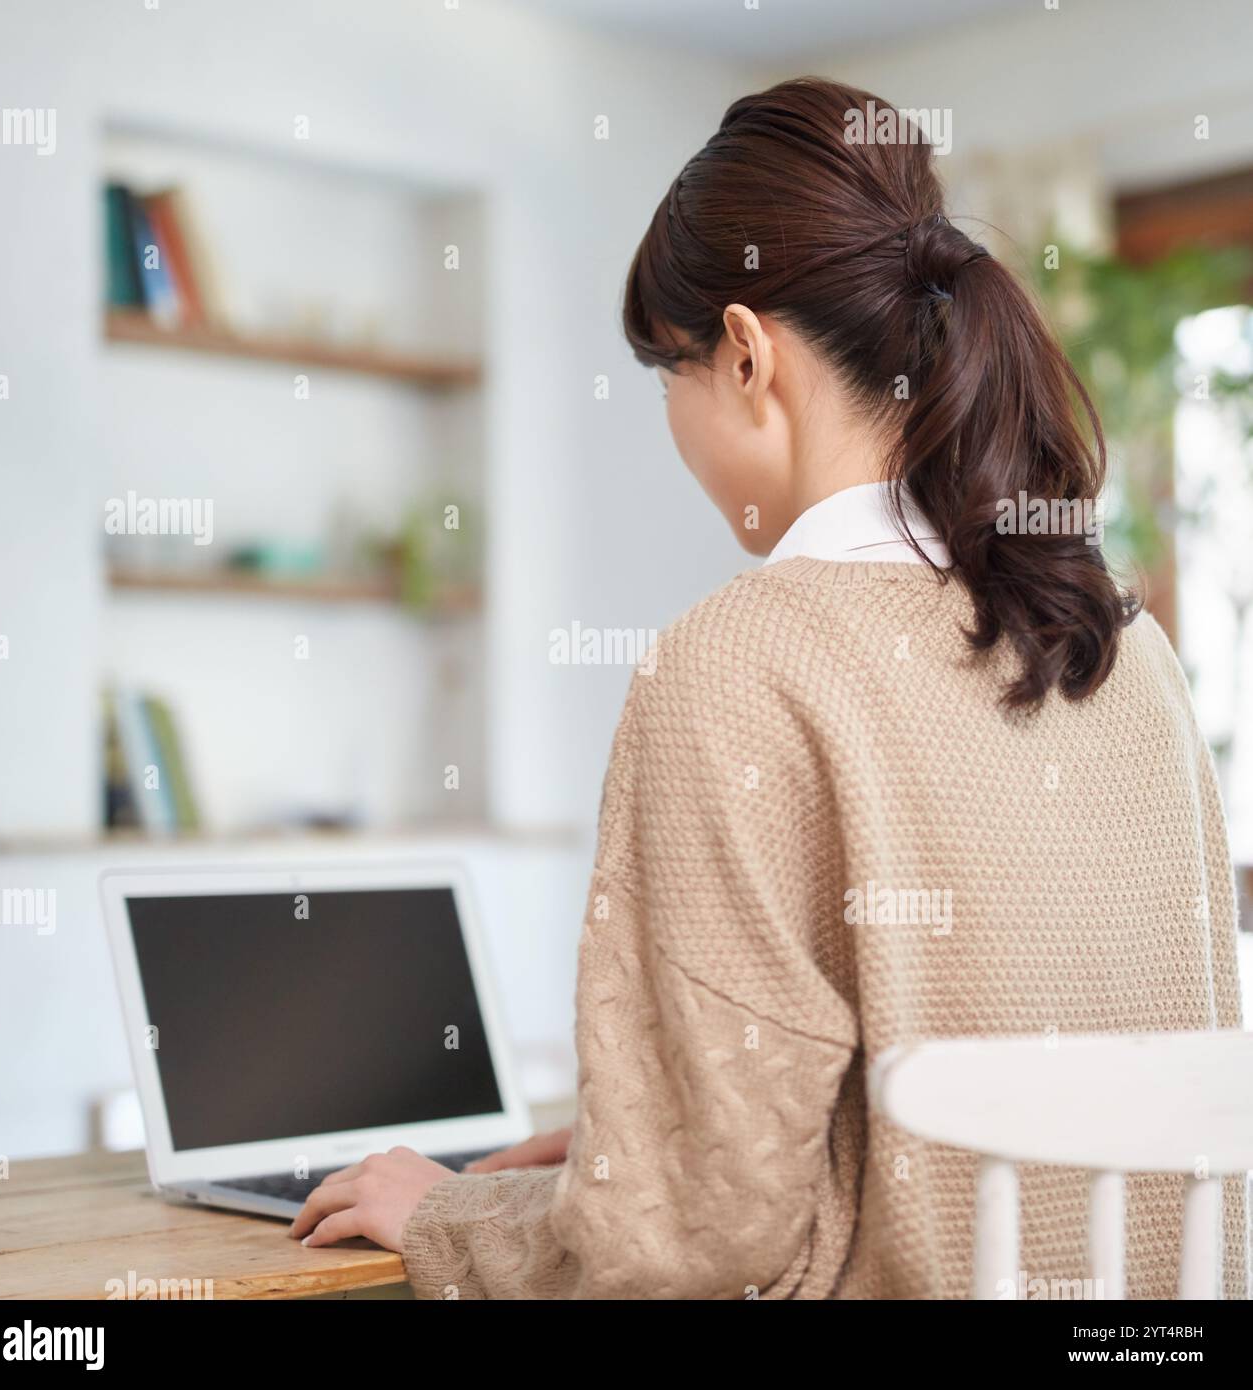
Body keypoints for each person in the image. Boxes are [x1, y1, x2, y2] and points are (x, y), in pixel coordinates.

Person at [291, 77, 1246, 1300]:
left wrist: (451, 1215)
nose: (674, 432)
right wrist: (637, 1152)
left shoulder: (733, 661)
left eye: (667, 377)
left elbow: (686, 1249)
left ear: (744, 353)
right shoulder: (1124, 649)